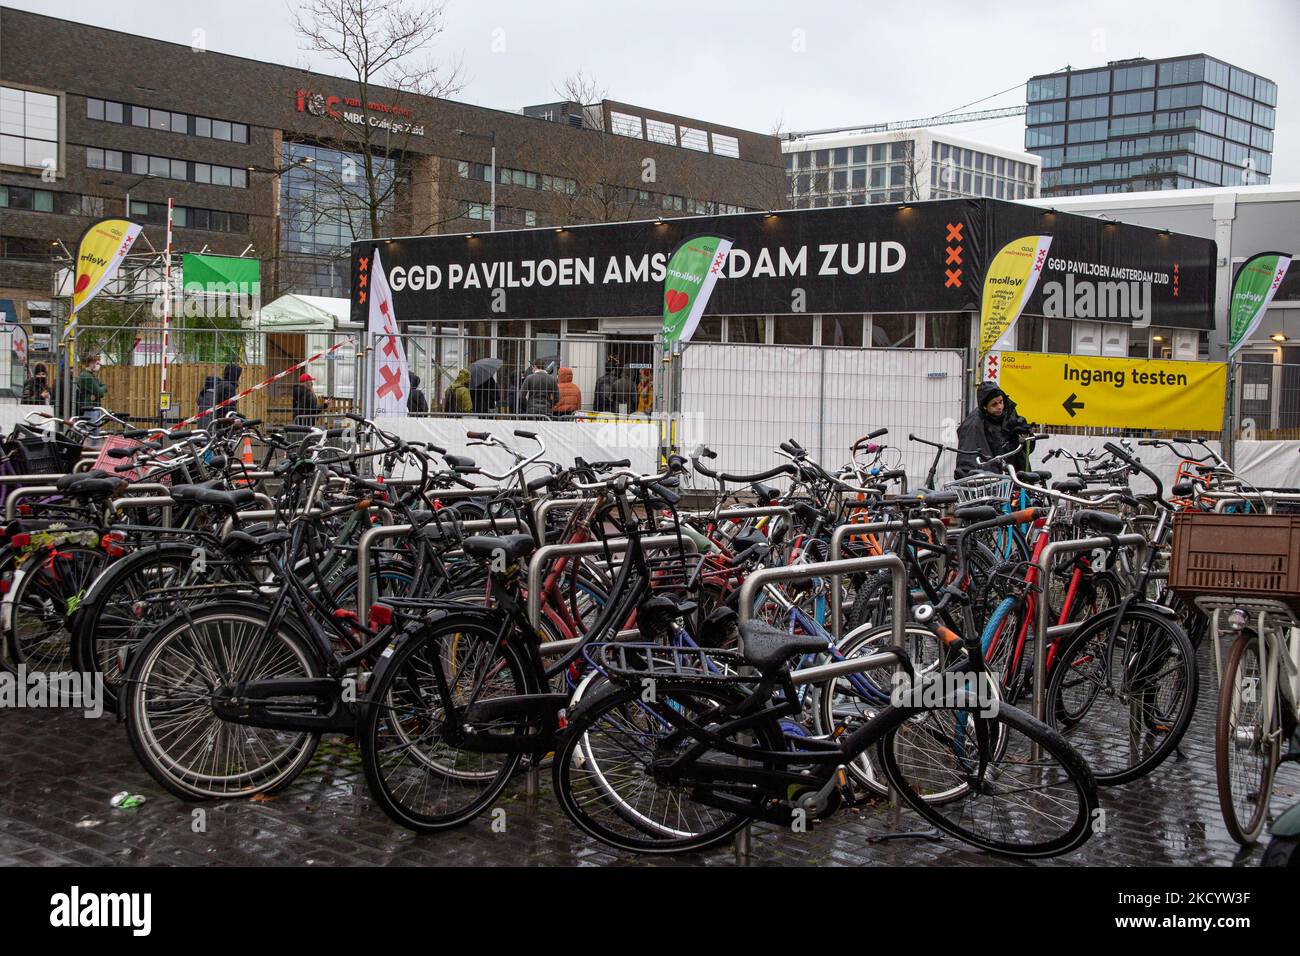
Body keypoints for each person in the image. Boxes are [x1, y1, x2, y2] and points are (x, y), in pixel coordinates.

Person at [954, 381, 1032, 479]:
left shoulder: (1009, 413)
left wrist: (1025, 435)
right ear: (985, 407)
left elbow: (1027, 449)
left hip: (1015, 474)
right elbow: (967, 457)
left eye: (1001, 401)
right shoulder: (974, 425)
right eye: (994, 404)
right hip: (992, 479)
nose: (999, 407)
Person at [196, 362, 242, 428]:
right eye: (238, 376)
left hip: (208, 423)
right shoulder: (229, 387)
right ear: (235, 376)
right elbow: (230, 410)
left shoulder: (220, 385)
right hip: (220, 424)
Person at [76, 353, 108, 421]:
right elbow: (100, 392)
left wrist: (98, 393)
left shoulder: (91, 375)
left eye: (98, 363)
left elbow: (105, 386)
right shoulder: (86, 376)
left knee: (95, 429)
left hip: (95, 407)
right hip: (90, 409)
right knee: (92, 429)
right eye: (95, 363)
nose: (97, 365)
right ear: (89, 363)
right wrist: (99, 392)